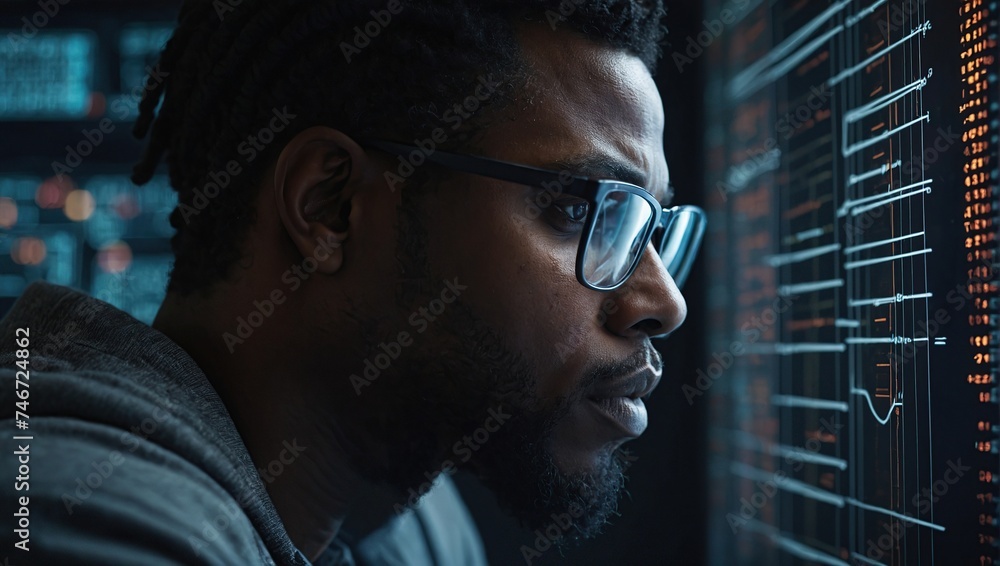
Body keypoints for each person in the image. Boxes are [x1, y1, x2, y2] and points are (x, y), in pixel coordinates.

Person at [0, 0, 705, 563]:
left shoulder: (409, 516)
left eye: (652, 228)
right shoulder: (77, 522)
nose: (664, 301)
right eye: (581, 211)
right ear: (329, 206)